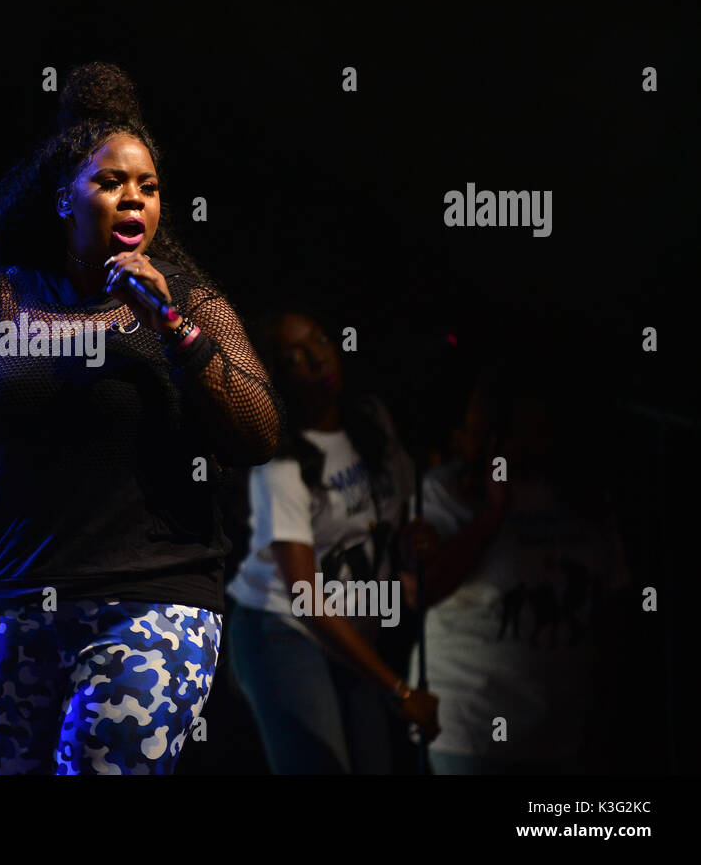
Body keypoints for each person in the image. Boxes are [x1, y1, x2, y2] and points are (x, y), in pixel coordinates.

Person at [0, 62, 282, 774]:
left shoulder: (188, 301)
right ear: (63, 200)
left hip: (152, 601)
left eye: (148, 186)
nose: (134, 197)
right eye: (111, 182)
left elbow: (259, 430)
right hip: (7, 607)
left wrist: (174, 329)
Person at [225, 309, 440, 773]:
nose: (318, 360)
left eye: (320, 342)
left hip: (350, 631)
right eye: (295, 357)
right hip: (284, 625)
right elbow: (304, 597)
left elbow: (391, 517)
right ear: (276, 377)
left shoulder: (370, 420)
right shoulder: (279, 464)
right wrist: (398, 689)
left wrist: (412, 541)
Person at [407, 359, 629, 774]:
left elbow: (614, 605)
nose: (537, 435)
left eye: (546, 422)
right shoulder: (448, 492)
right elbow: (421, 590)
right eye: (525, 421)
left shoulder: (586, 500)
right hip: (472, 731)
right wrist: (492, 515)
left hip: (559, 734)